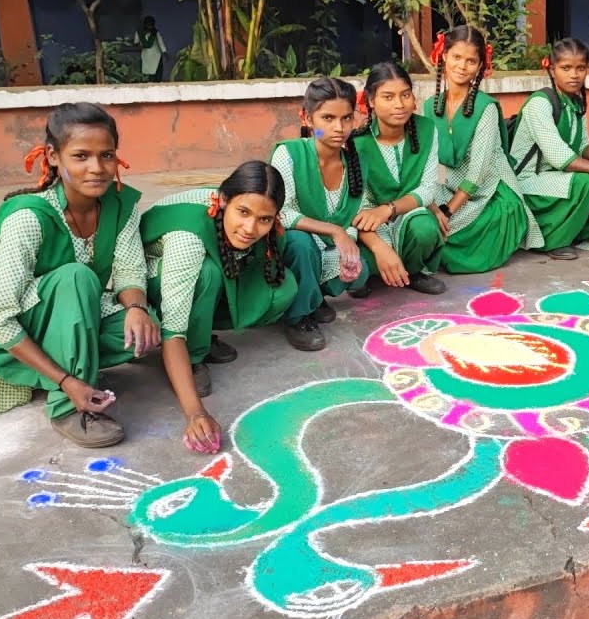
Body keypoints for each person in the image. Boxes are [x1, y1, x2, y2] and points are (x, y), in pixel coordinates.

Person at [0, 102, 159, 448]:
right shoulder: (29, 218)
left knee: (145, 325)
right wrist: (67, 381)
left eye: (106, 155)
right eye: (81, 156)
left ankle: (69, 363)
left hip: (68, 314)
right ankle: (68, 403)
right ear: (53, 156)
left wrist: (137, 309)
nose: (97, 168)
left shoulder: (118, 206)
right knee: (77, 278)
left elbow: (129, 269)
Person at [140, 161, 301, 453]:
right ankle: (191, 355)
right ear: (224, 200)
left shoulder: (261, 222)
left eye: (264, 219)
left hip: (205, 272)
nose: (250, 228)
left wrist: (338, 234)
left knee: (281, 287)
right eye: (243, 212)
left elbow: (282, 225)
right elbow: (173, 330)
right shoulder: (188, 238)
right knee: (209, 274)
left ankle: (202, 333)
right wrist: (195, 413)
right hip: (157, 281)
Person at [423, 26, 542, 273]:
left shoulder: (486, 108)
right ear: (443, 56)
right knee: (422, 221)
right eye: (456, 57)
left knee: (448, 228)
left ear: (480, 66)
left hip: (492, 191)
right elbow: (427, 163)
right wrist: (434, 205)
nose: (462, 66)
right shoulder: (429, 107)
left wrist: (447, 211)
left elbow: (478, 173)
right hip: (448, 187)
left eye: (471, 61)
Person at [271, 77, 371, 350]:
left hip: (327, 247)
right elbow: (280, 213)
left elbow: (357, 212)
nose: (339, 128)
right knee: (300, 243)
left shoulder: (356, 162)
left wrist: (348, 237)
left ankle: (314, 297)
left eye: (346, 118)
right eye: (327, 118)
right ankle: (298, 317)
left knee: (361, 269)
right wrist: (335, 231)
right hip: (292, 247)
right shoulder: (289, 154)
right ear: (307, 118)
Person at [508, 37, 589, 260]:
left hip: (557, 177)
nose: (574, 75)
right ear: (552, 70)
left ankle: (570, 232)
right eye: (566, 68)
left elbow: (581, 152)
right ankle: (552, 241)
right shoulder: (540, 103)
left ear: (588, 70)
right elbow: (561, 157)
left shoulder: (576, 104)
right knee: (584, 182)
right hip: (527, 180)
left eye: (580, 68)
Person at [351, 62, 448, 295]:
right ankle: (370, 271)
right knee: (355, 266)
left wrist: (388, 209)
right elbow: (355, 208)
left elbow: (427, 189)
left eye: (405, 95)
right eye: (388, 97)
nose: (399, 104)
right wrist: (380, 248)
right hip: (368, 227)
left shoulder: (426, 129)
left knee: (426, 227)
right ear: (371, 101)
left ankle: (413, 272)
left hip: (407, 217)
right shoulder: (355, 143)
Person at [134, 16, 167, 82]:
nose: (150, 27)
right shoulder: (139, 32)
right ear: (145, 24)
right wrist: (139, 46)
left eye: (151, 25)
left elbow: (161, 43)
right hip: (146, 55)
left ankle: (157, 83)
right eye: (148, 25)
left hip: (156, 55)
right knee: (147, 71)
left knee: (157, 71)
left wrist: (165, 52)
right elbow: (136, 43)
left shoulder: (155, 32)